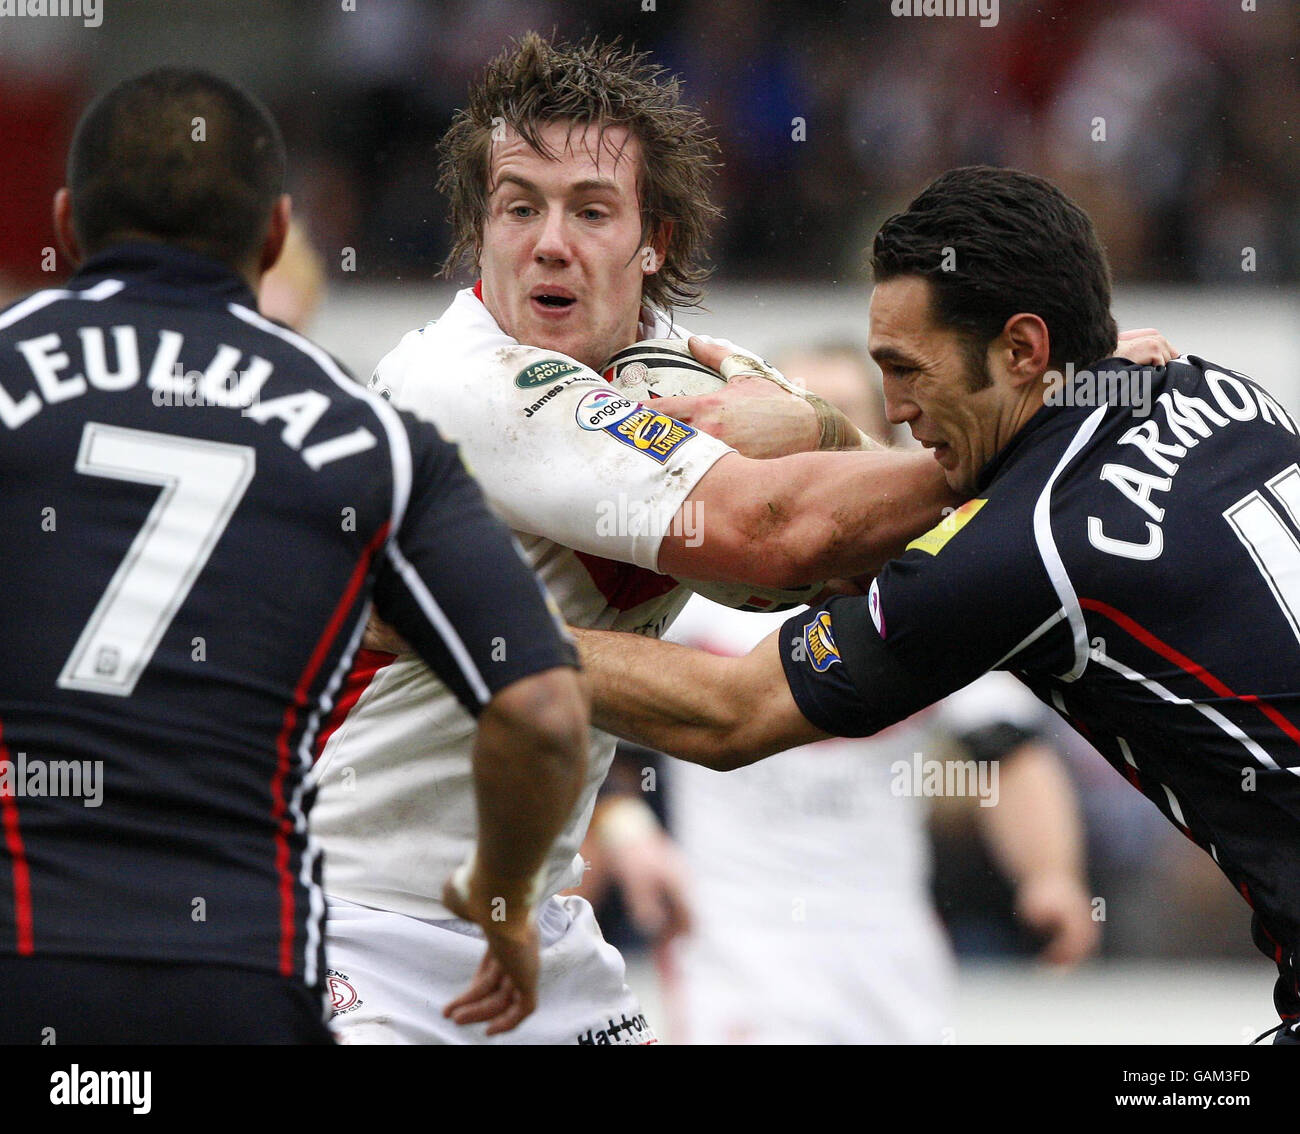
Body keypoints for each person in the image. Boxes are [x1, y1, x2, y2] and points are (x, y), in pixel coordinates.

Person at [311, 32, 964, 1046]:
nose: (549, 242)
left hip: (530, 927)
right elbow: (773, 534)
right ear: (477, 229)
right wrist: (1015, 453)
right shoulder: (464, 385)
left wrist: (821, 430)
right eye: (518, 206)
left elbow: (841, 550)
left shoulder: (684, 368)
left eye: (590, 209)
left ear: (653, 240)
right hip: (355, 923)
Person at [572, 165, 1300, 1043]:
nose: (896, 408)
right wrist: (823, 435)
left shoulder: (1016, 556)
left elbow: (732, 716)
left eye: (905, 371)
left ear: (1024, 348)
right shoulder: (1209, 385)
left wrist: (464, 622)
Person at [0, 66, 587, 1044]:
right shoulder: (371, 437)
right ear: (276, 232)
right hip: (240, 982)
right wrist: (500, 895)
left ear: (65, 220)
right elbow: (542, 714)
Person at [648, 345, 1097, 1044]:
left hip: (888, 957)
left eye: (841, 421)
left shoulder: (929, 591)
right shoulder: (688, 592)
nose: (815, 451)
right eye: (798, 422)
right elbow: (588, 738)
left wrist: (1051, 877)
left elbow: (1004, 750)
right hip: (732, 951)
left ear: (884, 447)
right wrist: (620, 837)